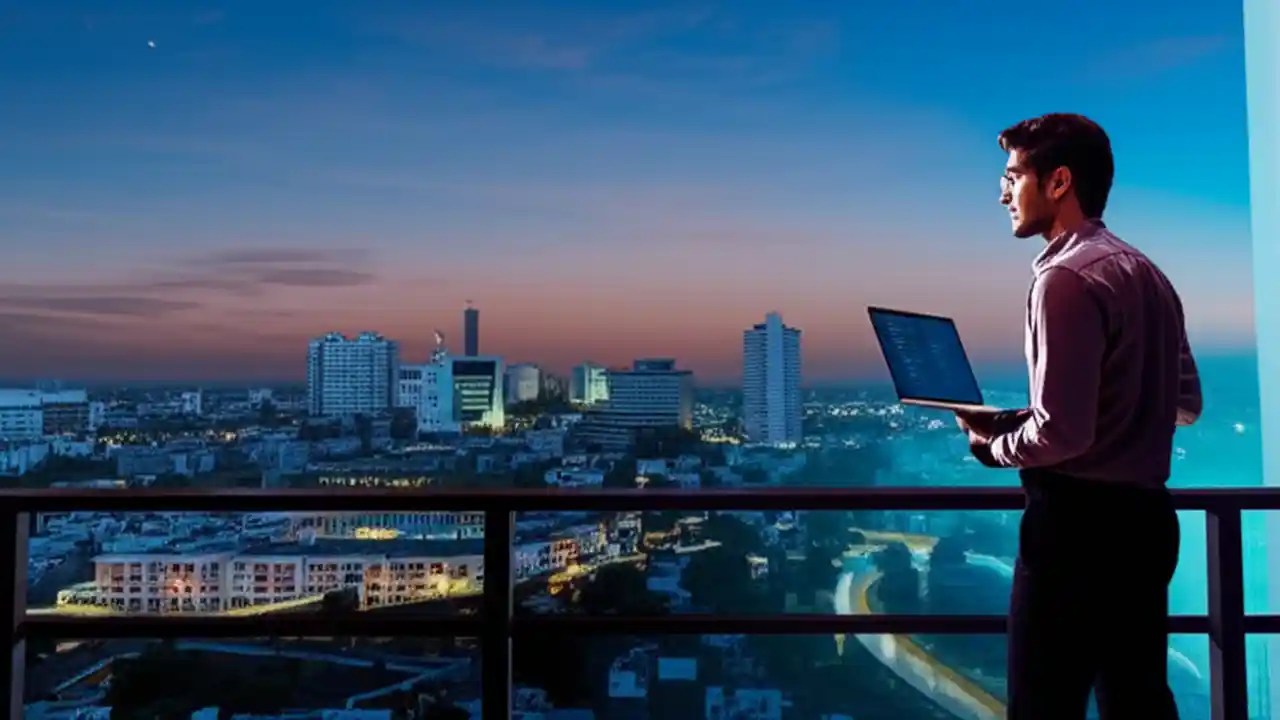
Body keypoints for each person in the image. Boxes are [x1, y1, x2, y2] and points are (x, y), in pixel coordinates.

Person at [955, 113, 1202, 719]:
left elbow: (1063, 433)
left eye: (1014, 176)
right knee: (1137, 700)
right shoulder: (1148, 274)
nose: (1003, 193)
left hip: (1075, 536)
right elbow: (1186, 405)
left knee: (1044, 704)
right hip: (1145, 526)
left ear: (1059, 181)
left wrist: (995, 444)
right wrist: (1040, 415)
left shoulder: (1063, 278)